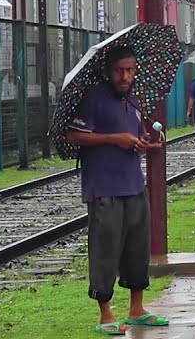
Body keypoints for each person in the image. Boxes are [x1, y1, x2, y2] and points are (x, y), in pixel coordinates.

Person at [65, 44, 169, 335]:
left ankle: (137, 309)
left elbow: (131, 137)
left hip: (133, 184)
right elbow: (74, 135)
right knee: (105, 250)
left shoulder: (132, 102)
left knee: (138, 249)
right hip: (104, 188)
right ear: (108, 72)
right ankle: (105, 314)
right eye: (119, 71)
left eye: (130, 70)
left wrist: (142, 142)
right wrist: (115, 138)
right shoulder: (93, 99)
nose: (125, 77)